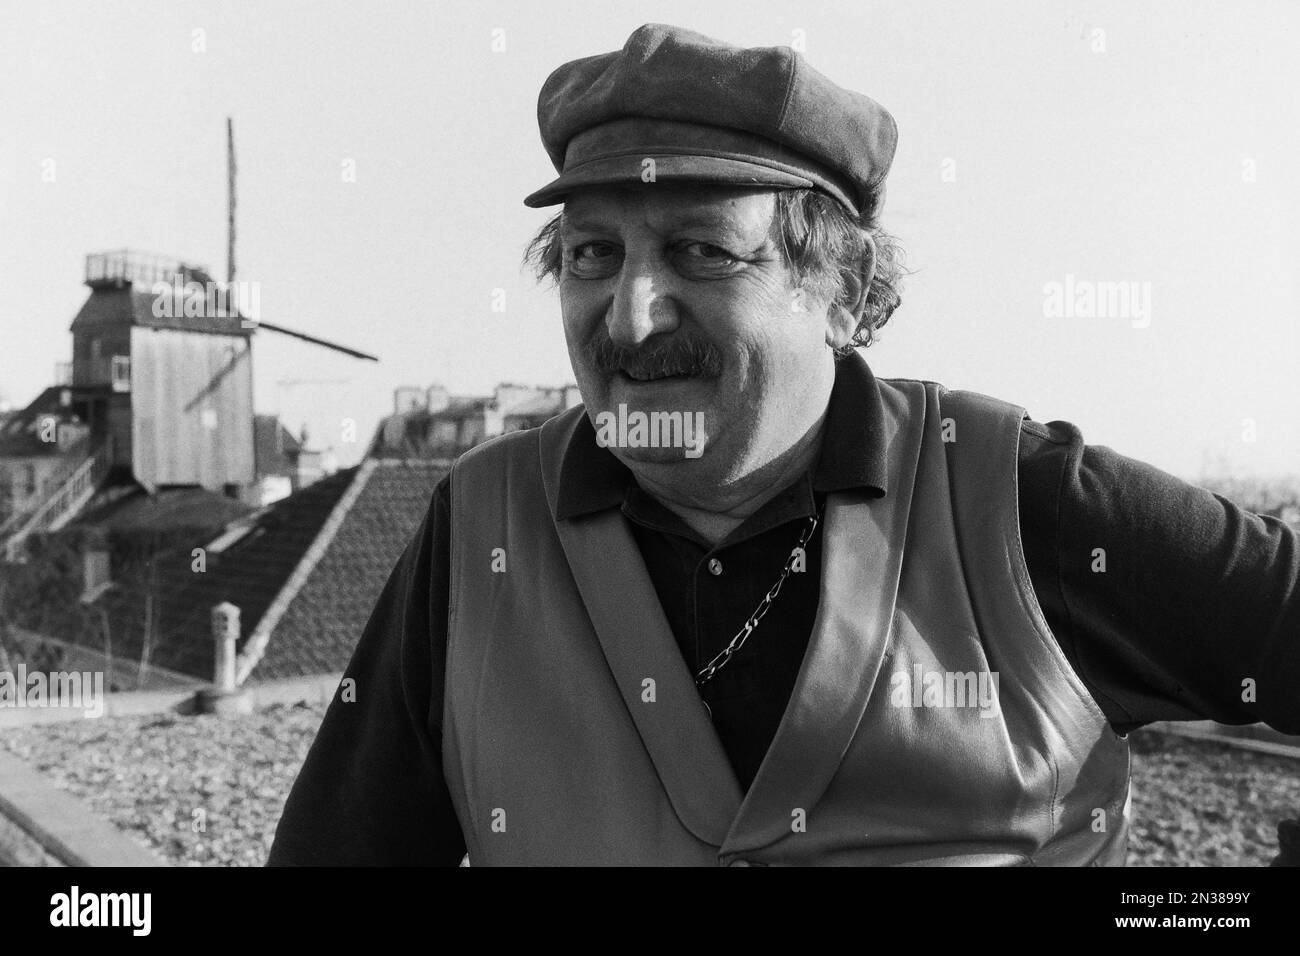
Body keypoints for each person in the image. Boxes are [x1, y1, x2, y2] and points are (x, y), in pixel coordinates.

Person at [268, 23, 1299, 866]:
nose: (629, 318)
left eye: (700, 251)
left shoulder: (1023, 505)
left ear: (841, 292)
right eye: (591, 254)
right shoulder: (477, 526)